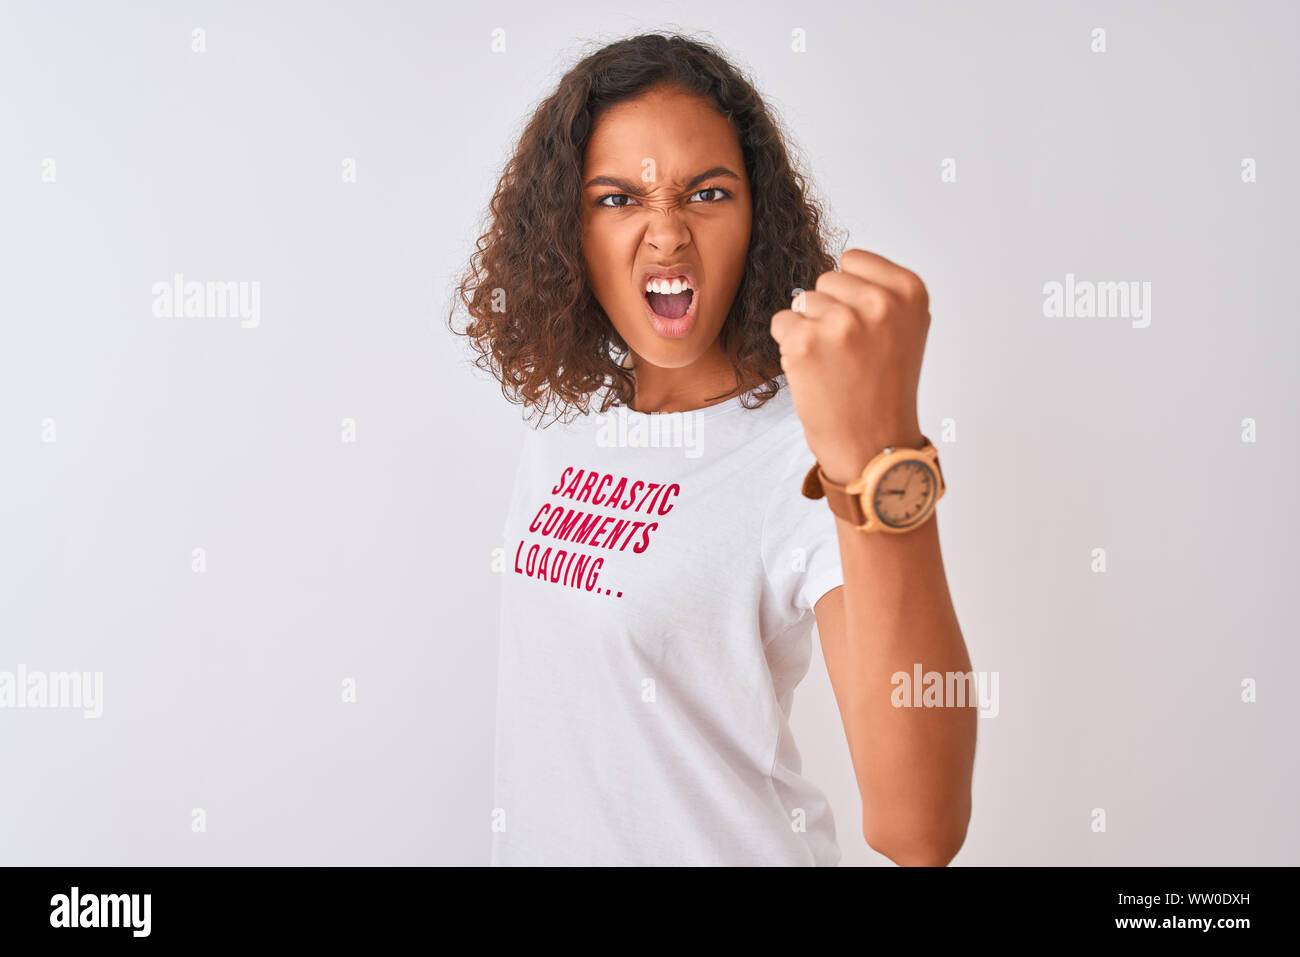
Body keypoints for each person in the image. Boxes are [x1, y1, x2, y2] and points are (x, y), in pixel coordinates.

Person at [449, 32, 975, 866]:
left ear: (756, 215)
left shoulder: (802, 448)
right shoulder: (570, 415)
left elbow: (919, 829)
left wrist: (883, 448)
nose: (666, 236)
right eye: (618, 199)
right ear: (567, 230)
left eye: (707, 192)